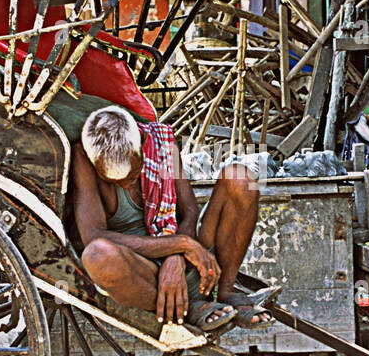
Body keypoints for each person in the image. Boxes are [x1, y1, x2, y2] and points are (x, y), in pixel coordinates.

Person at [70, 105, 271, 330]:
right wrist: (179, 245)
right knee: (97, 255)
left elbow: (190, 211)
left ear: (141, 148)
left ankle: (224, 290)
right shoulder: (84, 157)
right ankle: (186, 307)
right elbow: (93, 235)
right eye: (115, 182)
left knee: (240, 179)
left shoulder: (162, 144)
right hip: (144, 273)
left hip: (196, 260)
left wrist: (176, 257)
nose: (126, 184)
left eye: (134, 176)